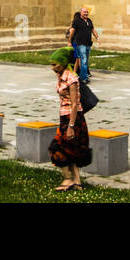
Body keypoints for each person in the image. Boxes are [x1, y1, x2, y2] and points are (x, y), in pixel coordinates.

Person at [46, 48, 91, 190]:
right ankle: (77, 181)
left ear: (63, 63)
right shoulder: (61, 75)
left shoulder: (71, 79)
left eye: (55, 64)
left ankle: (67, 179)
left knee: (56, 147)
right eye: (51, 64)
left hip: (73, 118)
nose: (52, 68)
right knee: (71, 149)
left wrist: (71, 126)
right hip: (65, 117)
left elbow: (75, 104)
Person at [66, 6, 99, 84]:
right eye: (84, 12)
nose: (86, 13)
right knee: (83, 60)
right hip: (80, 44)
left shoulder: (89, 20)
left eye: (87, 12)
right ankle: (84, 78)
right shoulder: (76, 21)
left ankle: (82, 76)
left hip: (88, 44)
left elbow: (92, 30)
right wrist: (69, 41)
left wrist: (97, 37)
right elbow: (72, 31)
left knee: (85, 61)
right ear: (81, 13)